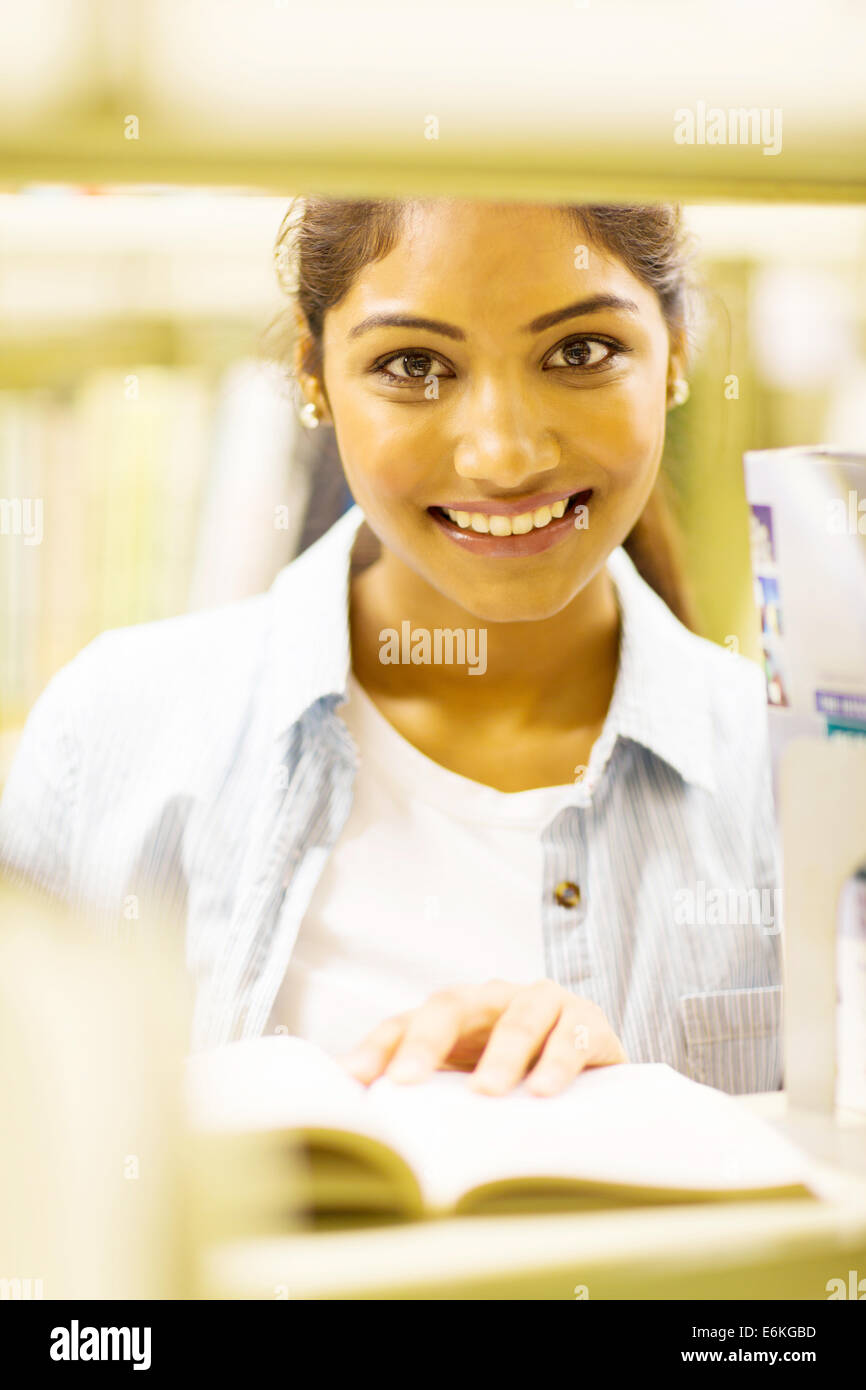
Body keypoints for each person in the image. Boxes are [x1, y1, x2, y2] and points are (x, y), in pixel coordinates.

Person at [0, 196, 781, 1098]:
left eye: (580, 352)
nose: (504, 456)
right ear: (313, 372)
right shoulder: (111, 735)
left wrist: (643, 1110)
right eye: (414, 364)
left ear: (676, 353)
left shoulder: (800, 780)